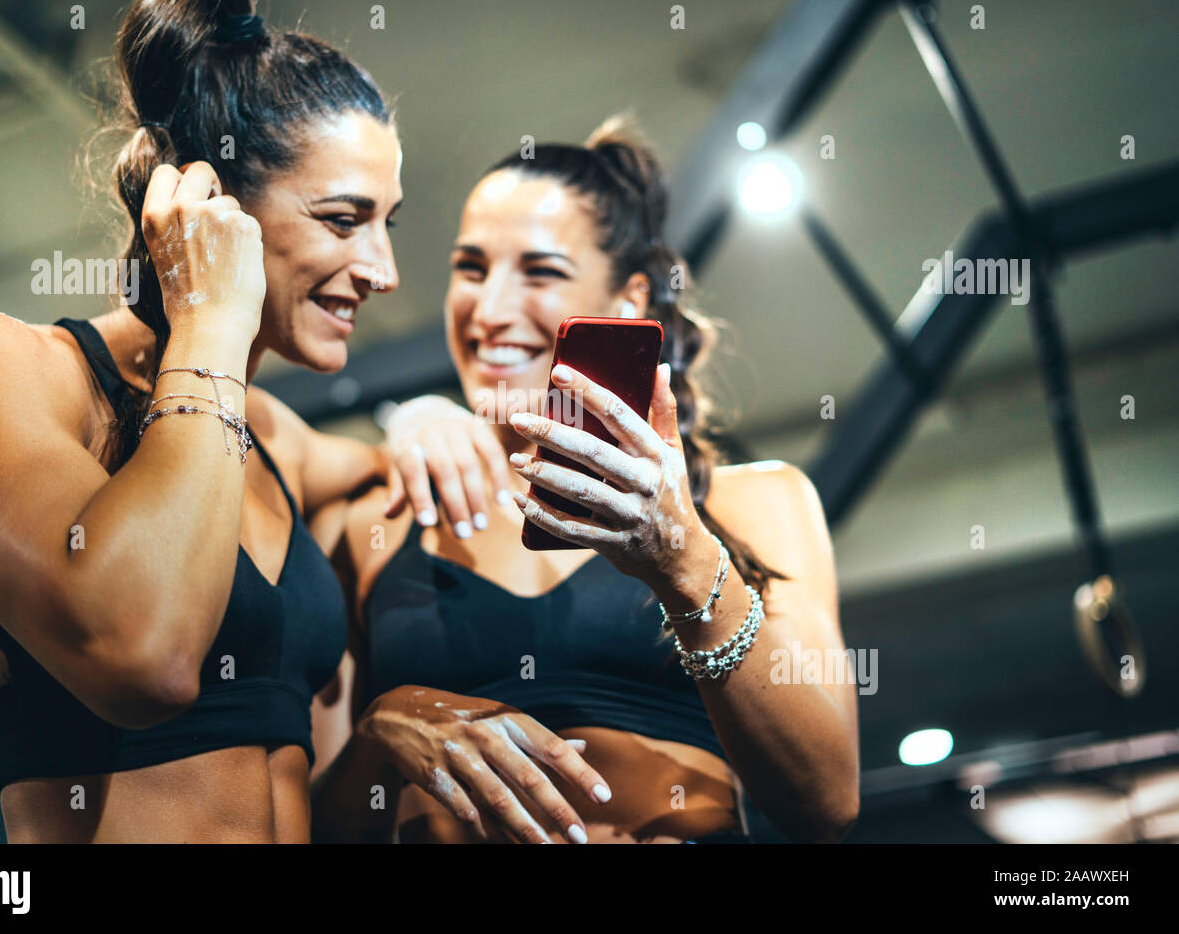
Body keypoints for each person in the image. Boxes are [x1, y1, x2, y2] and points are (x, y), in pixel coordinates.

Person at [0, 0, 499, 843]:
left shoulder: (278, 443)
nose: (383, 269)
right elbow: (142, 654)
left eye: (388, 224)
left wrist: (421, 416)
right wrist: (212, 314)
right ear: (211, 200)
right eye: (343, 219)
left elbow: (385, 462)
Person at [311, 118, 860, 843]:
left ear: (628, 301)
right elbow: (314, 824)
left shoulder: (758, 502)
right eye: (471, 268)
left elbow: (827, 800)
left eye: (539, 272)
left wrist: (681, 560)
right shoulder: (373, 521)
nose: (491, 309)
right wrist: (388, 725)